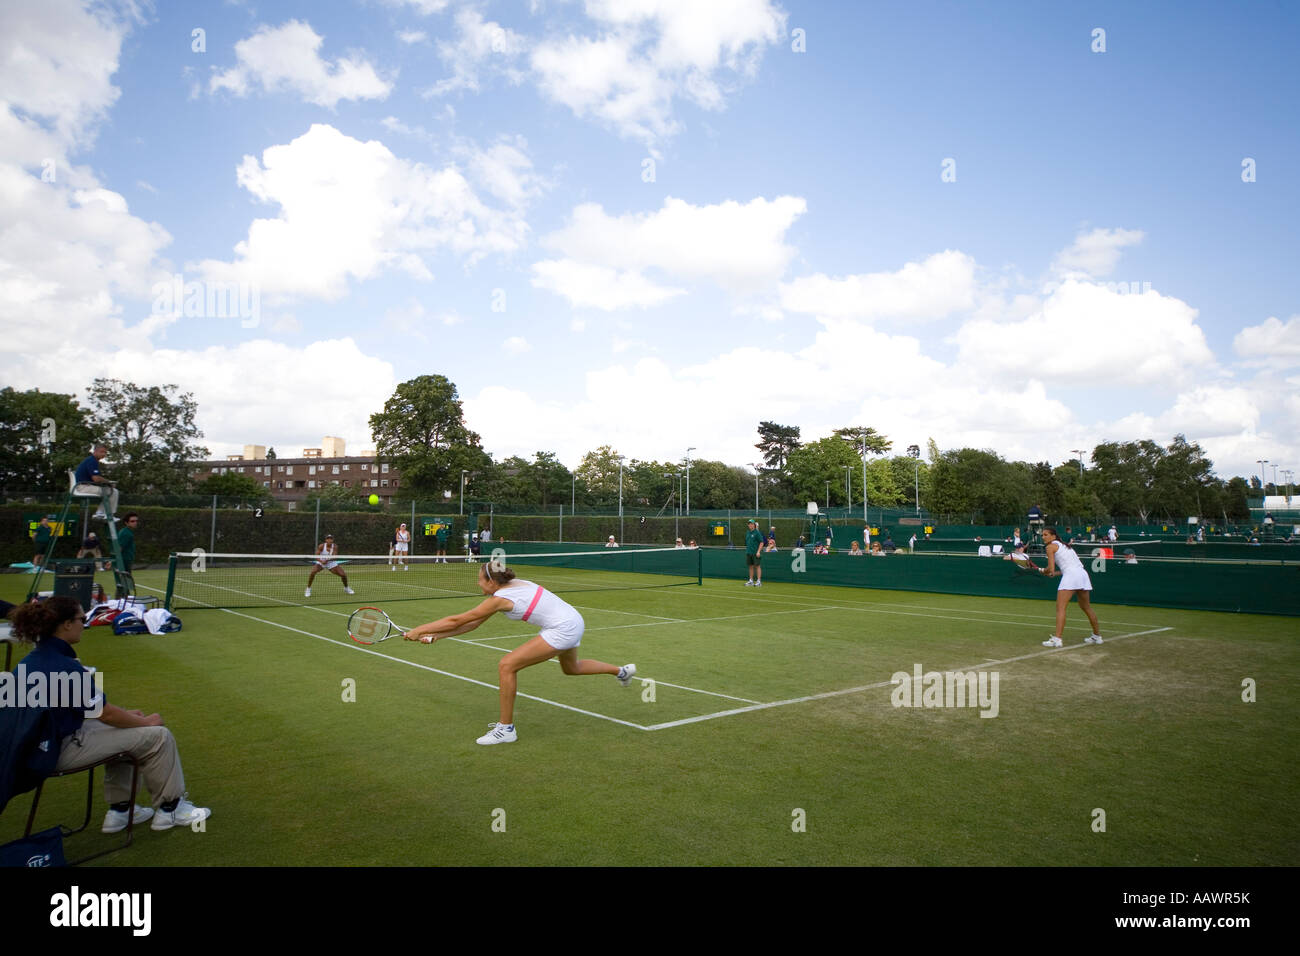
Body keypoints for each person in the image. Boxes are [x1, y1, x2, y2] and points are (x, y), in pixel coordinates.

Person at [4, 596, 211, 832]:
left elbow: (86, 709)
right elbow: (106, 715)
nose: (85, 624)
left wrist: (128, 719)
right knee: (158, 736)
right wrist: (145, 721)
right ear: (66, 624)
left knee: (128, 728)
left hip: (35, 747)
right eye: (82, 619)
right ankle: (171, 809)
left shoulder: (30, 661)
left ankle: (121, 812)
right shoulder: (63, 664)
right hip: (52, 751)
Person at [403, 563, 635, 745]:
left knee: (507, 665)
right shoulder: (513, 585)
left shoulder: (501, 598)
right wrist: (436, 635)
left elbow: (458, 620)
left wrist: (418, 630)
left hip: (562, 627)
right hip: (572, 619)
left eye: (480, 580)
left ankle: (505, 729)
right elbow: (472, 625)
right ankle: (622, 672)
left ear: (493, 582)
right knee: (571, 668)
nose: (478, 584)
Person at [1036, 527, 1102, 647]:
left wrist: (1044, 571)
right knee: (1086, 607)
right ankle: (1097, 636)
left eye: (1046, 535)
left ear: (1053, 536)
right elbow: (1065, 569)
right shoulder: (1066, 546)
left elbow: (1050, 569)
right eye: (1043, 535)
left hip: (1072, 576)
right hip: (1082, 575)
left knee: (1060, 608)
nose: (1043, 537)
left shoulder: (1050, 547)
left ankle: (1057, 639)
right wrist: (1053, 573)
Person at [73, 444, 118, 519]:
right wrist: (109, 482)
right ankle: (107, 514)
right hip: (82, 487)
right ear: (95, 451)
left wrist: (107, 483)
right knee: (114, 492)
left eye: (105, 452)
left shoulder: (91, 460)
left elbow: (95, 479)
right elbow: (96, 479)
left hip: (83, 486)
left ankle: (100, 512)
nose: (104, 454)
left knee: (110, 490)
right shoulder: (92, 461)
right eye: (101, 452)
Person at [744, 518, 764, 587]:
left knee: (757, 566)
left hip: (756, 553)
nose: (750, 525)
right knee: (750, 567)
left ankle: (759, 581)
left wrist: (758, 551)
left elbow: (761, 542)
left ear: (754, 525)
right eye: (749, 524)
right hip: (749, 553)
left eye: (752, 524)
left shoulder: (757, 532)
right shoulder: (747, 532)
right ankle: (751, 581)